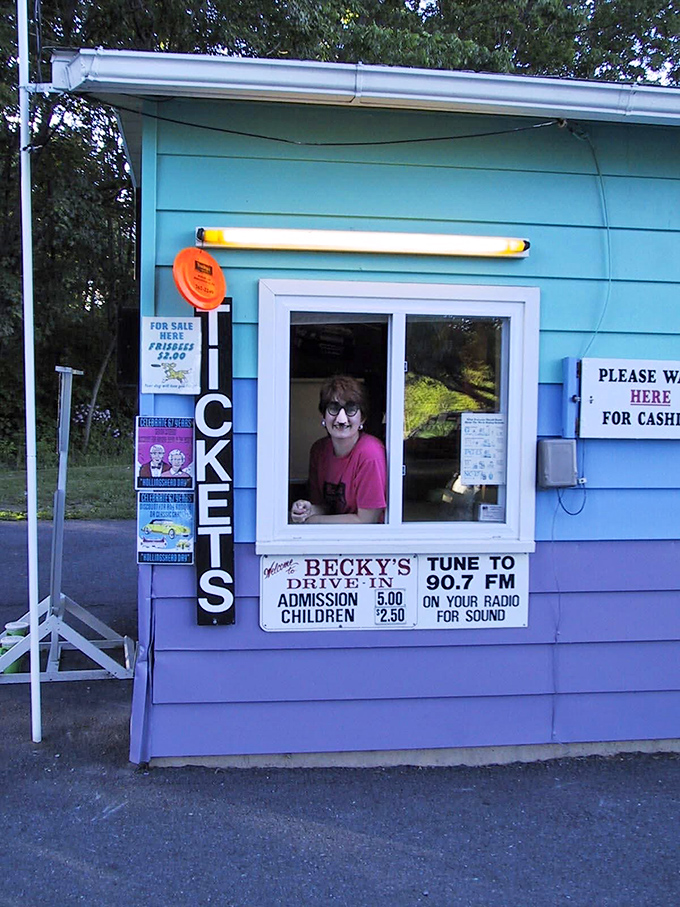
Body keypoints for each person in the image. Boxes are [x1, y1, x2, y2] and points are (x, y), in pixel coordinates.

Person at [290, 376, 386, 524]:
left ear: (362, 418)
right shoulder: (319, 451)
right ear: (323, 415)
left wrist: (312, 522)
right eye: (333, 409)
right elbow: (326, 507)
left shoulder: (370, 454)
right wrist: (308, 510)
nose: (341, 419)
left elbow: (367, 520)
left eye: (351, 409)